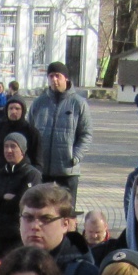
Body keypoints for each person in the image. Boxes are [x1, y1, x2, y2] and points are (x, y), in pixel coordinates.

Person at [15, 182, 100, 275]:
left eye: (45, 219)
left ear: (65, 224)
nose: (35, 226)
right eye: (28, 218)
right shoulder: (9, 267)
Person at [29, 62, 92, 199]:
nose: (54, 80)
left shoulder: (78, 104)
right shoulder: (39, 103)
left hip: (67, 171)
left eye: (57, 76)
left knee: (66, 212)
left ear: (66, 78)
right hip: (42, 170)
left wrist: (75, 156)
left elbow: (86, 134)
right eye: (51, 76)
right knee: (43, 210)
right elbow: (29, 132)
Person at [0, 131, 43, 256]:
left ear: (22, 150)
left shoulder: (32, 174)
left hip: (17, 236)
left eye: (13, 146)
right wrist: (2, 198)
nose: (8, 150)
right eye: (6, 146)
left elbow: (22, 203)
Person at [0, 94, 40, 171]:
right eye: (10, 108)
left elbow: (37, 159)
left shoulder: (31, 132)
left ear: (23, 110)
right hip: (1, 173)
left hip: (24, 174)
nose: (13, 111)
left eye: (17, 109)